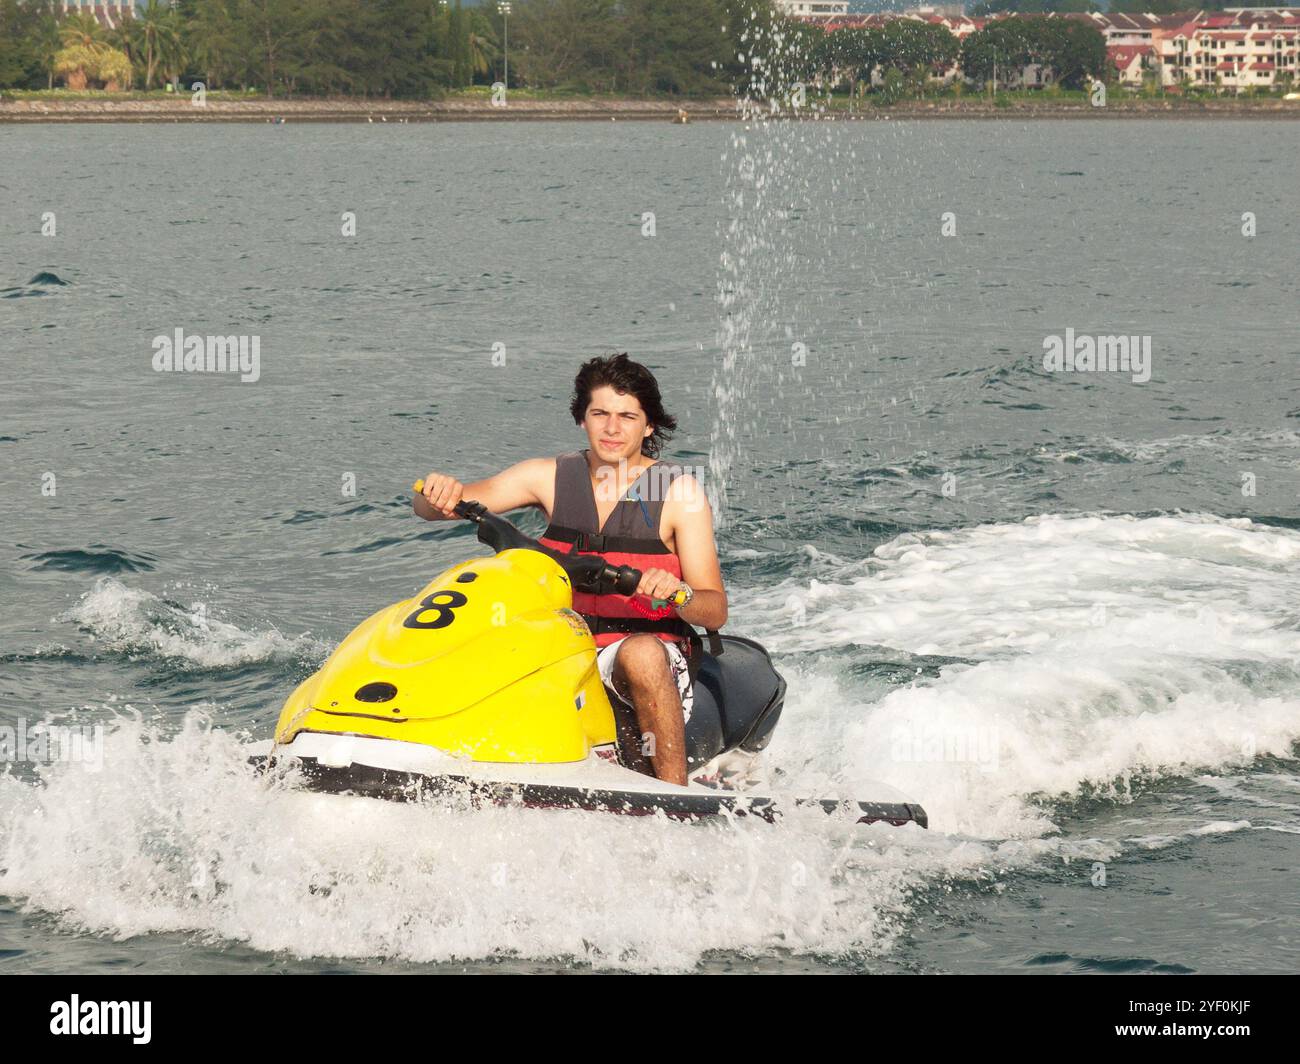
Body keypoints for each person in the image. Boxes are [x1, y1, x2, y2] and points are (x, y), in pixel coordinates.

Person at [414, 353, 727, 785]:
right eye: (599, 413)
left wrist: (679, 593)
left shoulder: (677, 492)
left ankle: (675, 796)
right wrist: (435, 494)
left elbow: (715, 610)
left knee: (641, 652)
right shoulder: (550, 476)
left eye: (627, 416)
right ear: (582, 419)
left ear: (649, 425)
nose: (612, 428)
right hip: (562, 643)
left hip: (645, 652)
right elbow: (438, 509)